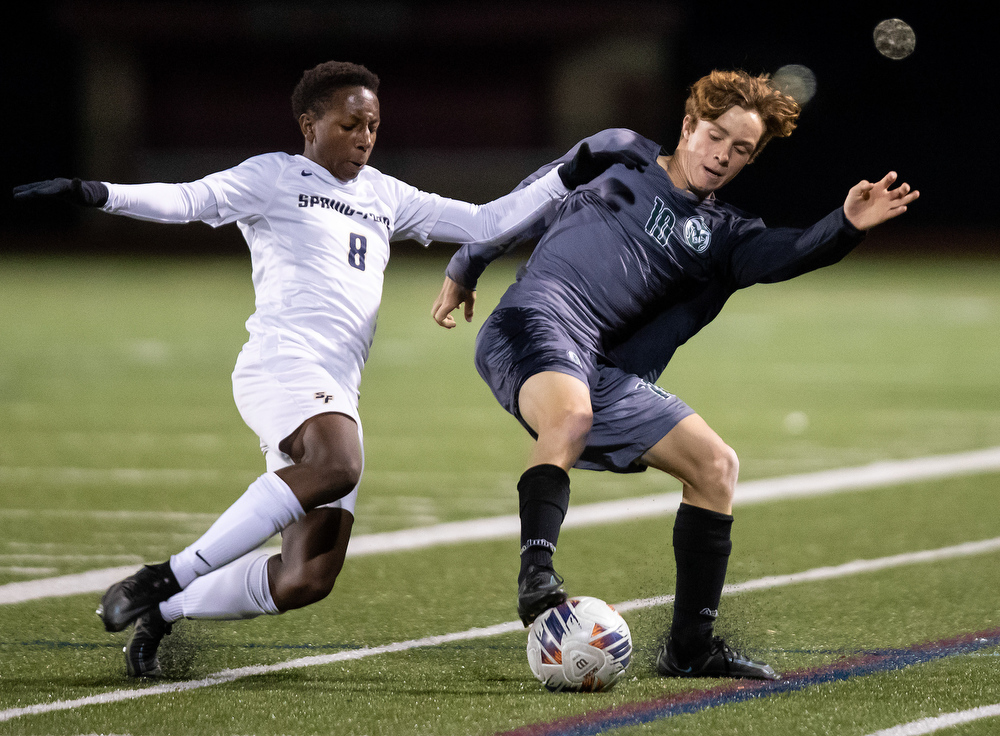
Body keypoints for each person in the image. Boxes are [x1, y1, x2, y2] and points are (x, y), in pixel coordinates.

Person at [13, 60, 644, 678]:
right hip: (280, 366)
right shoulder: (272, 177)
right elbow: (185, 200)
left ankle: (165, 607)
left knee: (306, 576)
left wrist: (570, 172)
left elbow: (485, 222)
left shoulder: (384, 195)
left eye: (372, 125)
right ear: (308, 124)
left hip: (336, 387)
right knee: (338, 461)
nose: (364, 138)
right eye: (349, 125)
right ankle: (166, 574)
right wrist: (92, 192)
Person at [431, 69, 919, 681]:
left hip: (600, 367)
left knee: (716, 467)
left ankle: (690, 645)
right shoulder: (617, 152)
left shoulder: (725, 234)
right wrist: (468, 262)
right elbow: (530, 197)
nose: (723, 156)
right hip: (534, 321)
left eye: (741, 150)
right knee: (570, 415)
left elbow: (788, 253)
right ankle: (536, 575)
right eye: (716, 136)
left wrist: (843, 225)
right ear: (689, 125)